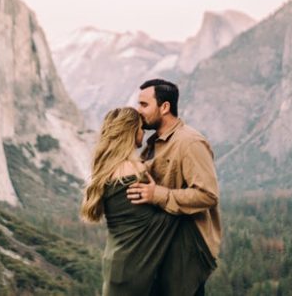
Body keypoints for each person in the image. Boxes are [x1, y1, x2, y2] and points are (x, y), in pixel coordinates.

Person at [81, 107, 208, 295]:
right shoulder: (135, 171)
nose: (144, 132)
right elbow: (160, 220)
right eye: (141, 128)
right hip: (137, 271)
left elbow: (137, 220)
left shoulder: (106, 170)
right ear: (132, 131)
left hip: (116, 265)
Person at [128, 79, 219, 295]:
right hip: (163, 247)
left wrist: (156, 194)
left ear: (165, 107)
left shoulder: (190, 142)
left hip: (185, 249)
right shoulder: (153, 143)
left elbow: (208, 195)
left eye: (144, 105)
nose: (138, 111)